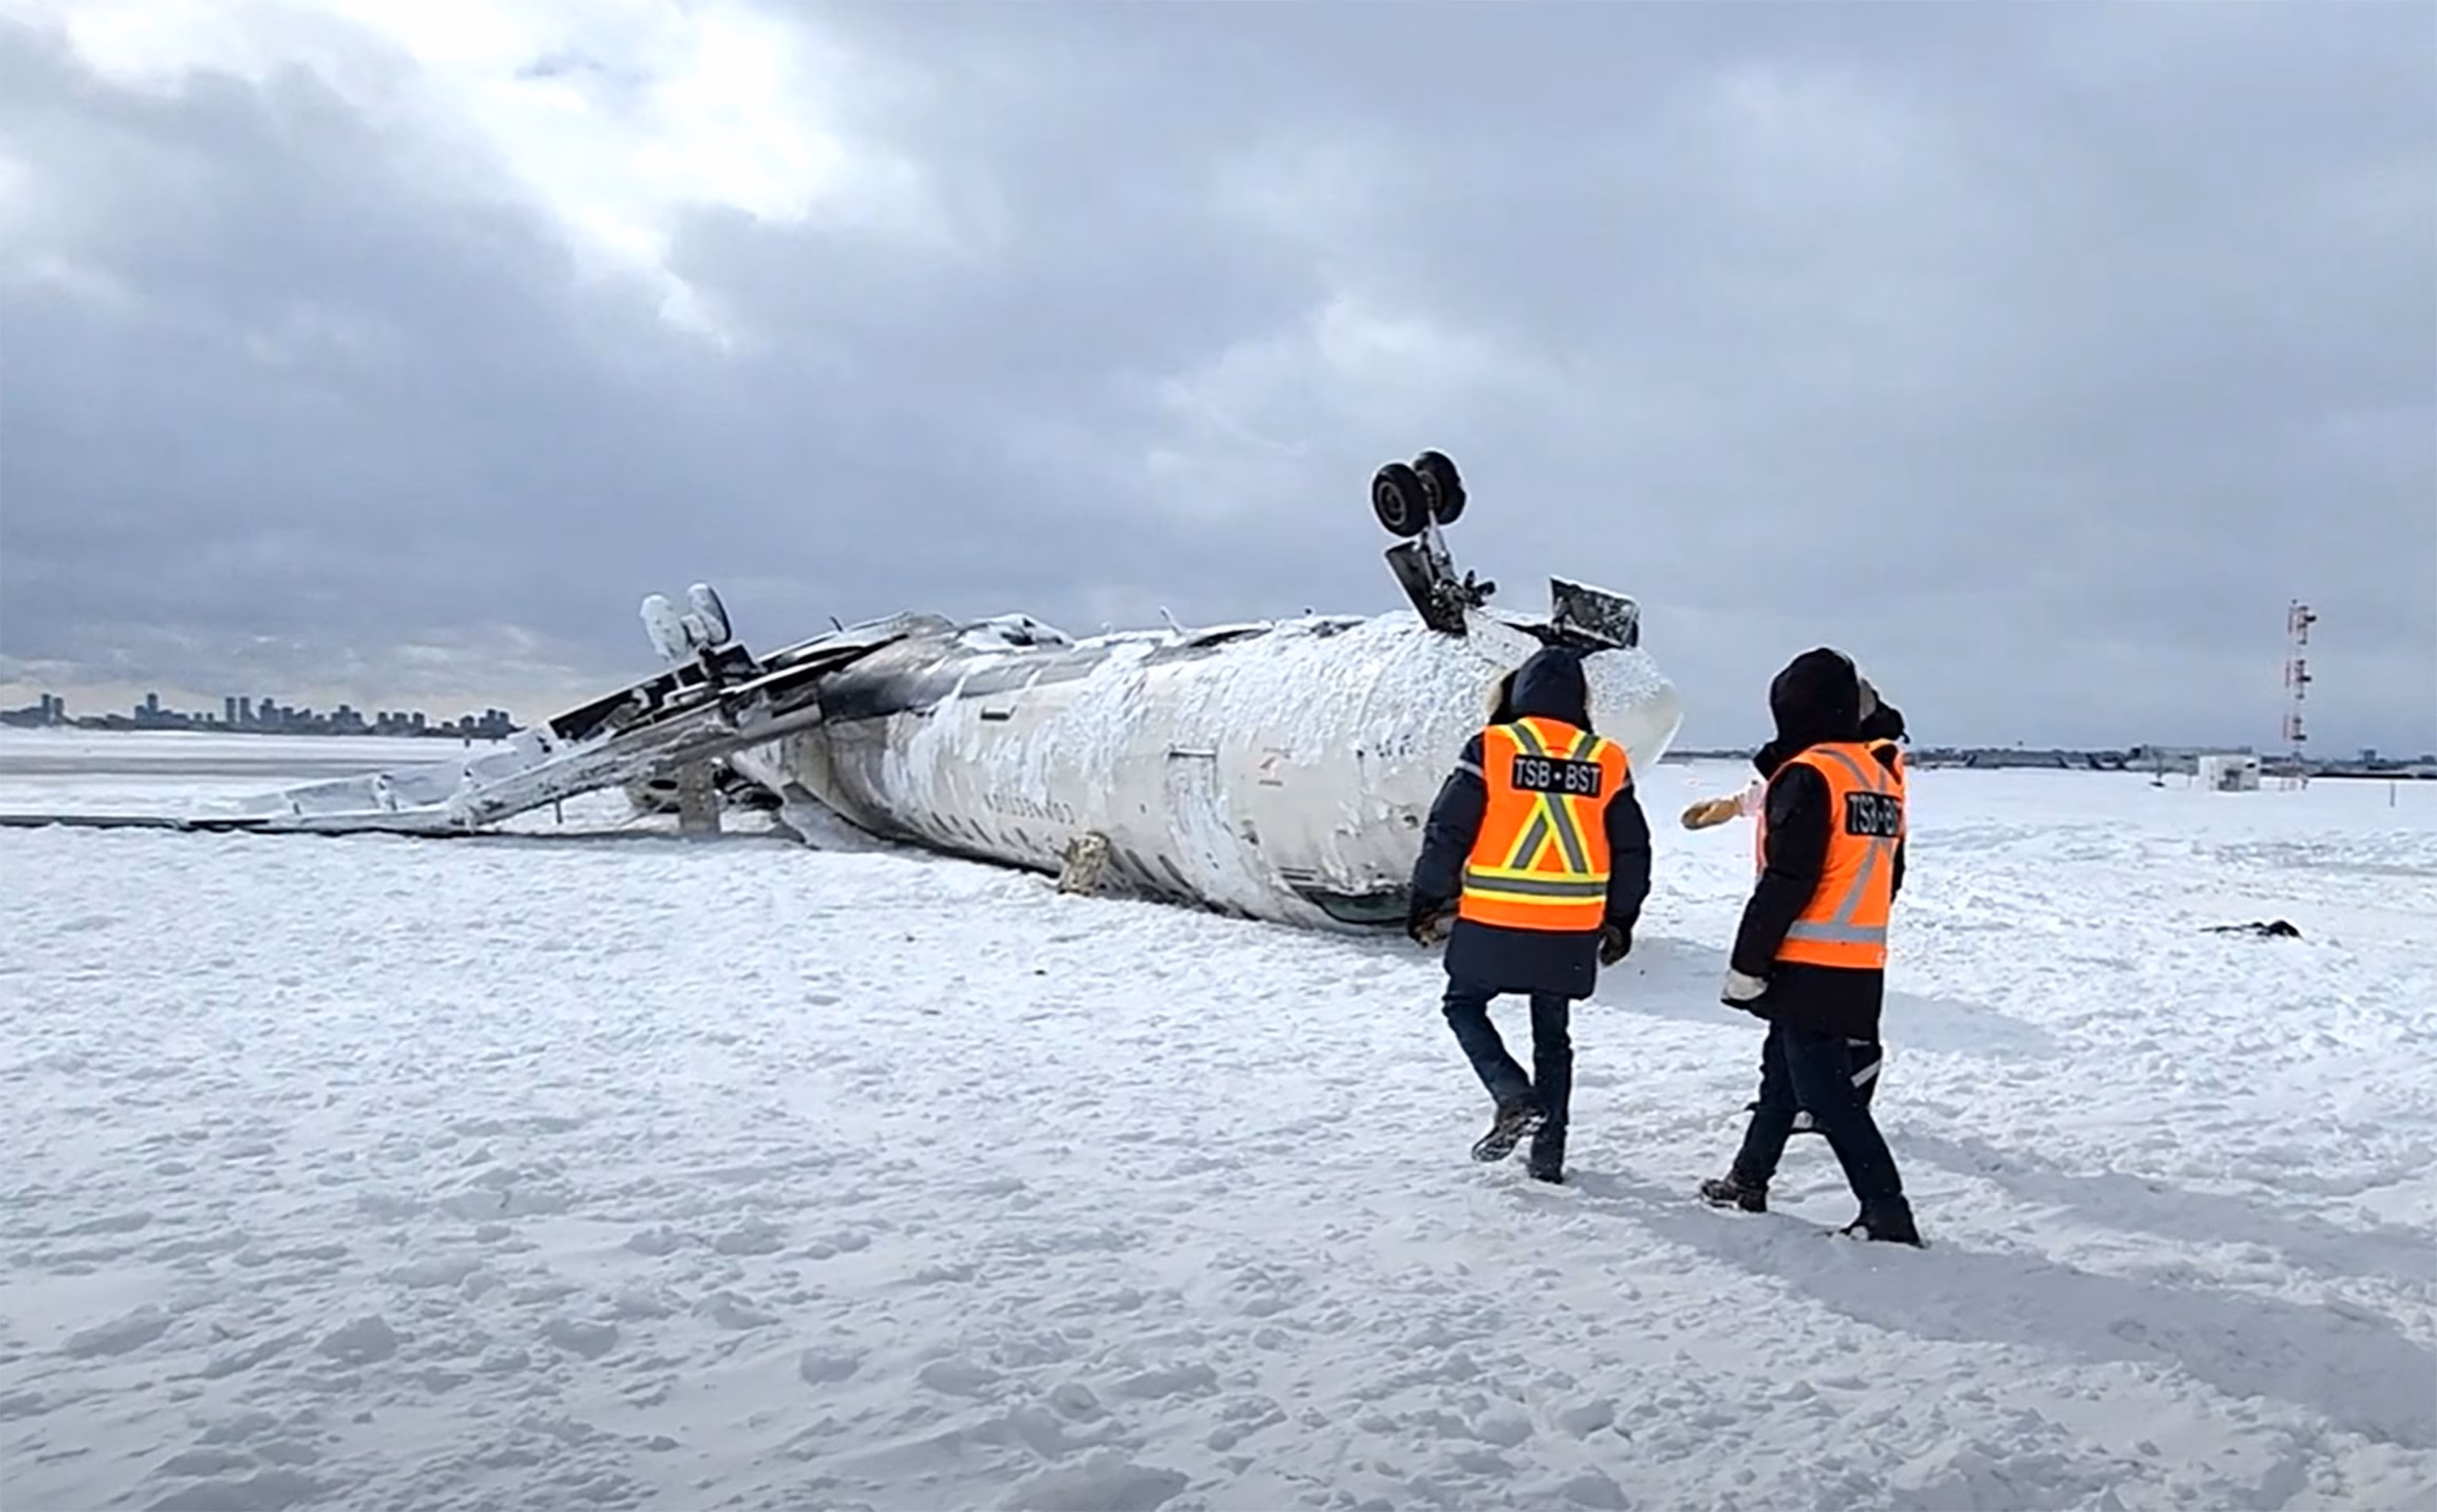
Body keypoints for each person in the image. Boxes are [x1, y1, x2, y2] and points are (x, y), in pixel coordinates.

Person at [1697, 648, 1921, 1245]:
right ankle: (1749, 1177)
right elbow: (1891, 873)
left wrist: (1747, 963)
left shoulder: (1810, 774)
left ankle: (1886, 1210)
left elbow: (1786, 879)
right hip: (1858, 958)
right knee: (1782, 1073)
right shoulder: (1877, 774)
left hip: (1806, 957)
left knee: (1827, 1096)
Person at [1407, 645, 1653, 1184]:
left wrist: (1427, 896)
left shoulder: (1493, 748)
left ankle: (1511, 1094)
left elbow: (1449, 829)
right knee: (1553, 1037)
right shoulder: (1605, 759)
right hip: (1570, 927)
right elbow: (1632, 847)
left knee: (1463, 1005)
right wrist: (1622, 917)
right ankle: (1549, 1156)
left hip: (1495, 918)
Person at [1681, 677, 1909, 1139]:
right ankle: (1764, 1148)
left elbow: (1828, 818)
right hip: (1814, 924)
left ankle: (1844, 1129)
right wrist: (1734, 805)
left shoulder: (1872, 760)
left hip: (1827, 921)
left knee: (1842, 1043)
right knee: (1787, 1040)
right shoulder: (1835, 761)